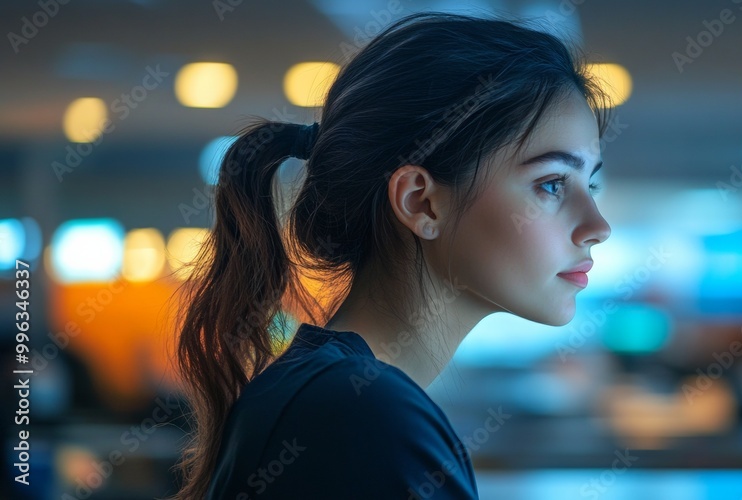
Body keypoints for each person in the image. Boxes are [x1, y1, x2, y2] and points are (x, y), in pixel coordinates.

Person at [170, 11, 613, 499]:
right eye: (551, 184)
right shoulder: (363, 414)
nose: (598, 227)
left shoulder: (333, 393)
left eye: (590, 184)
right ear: (420, 202)